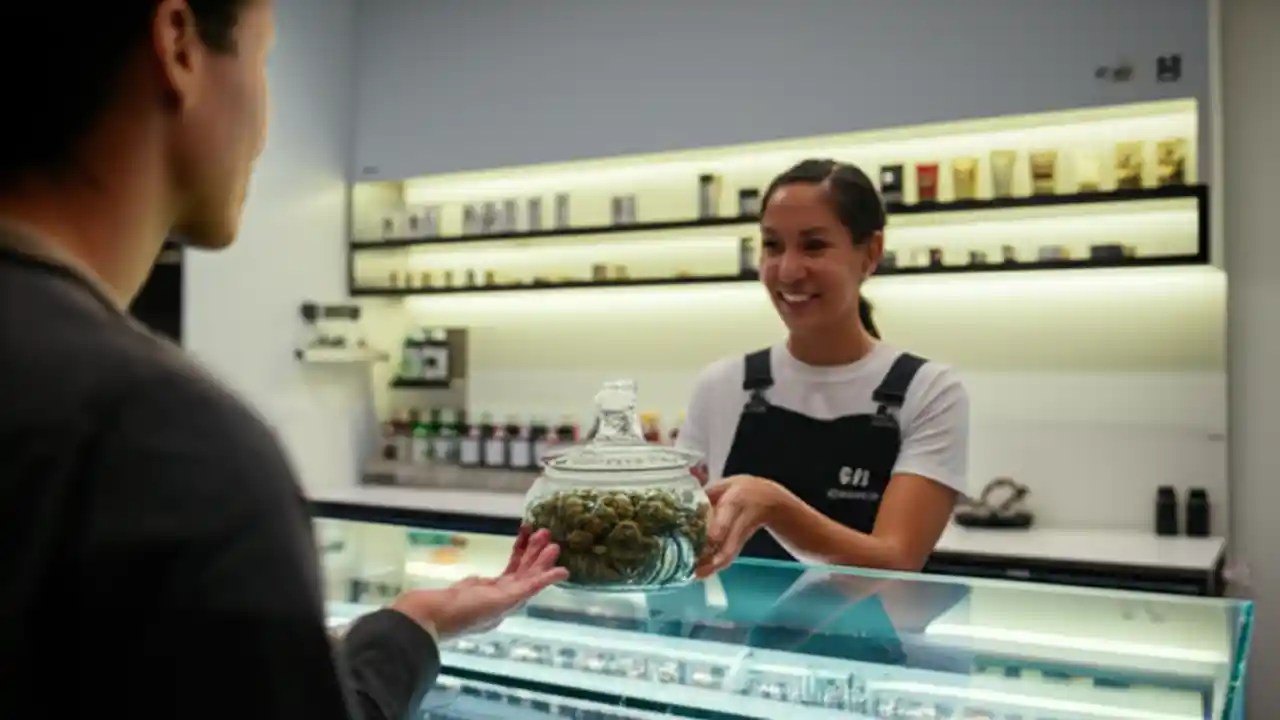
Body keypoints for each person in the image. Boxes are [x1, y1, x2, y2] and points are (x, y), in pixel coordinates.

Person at [0, 1, 566, 718]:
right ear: (178, 45)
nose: (266, 128)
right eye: (264, 58)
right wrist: (404, 641)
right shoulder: (164, 439)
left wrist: (408, 622)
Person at [679, 159, 970, 577]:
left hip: (869, 640)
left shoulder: (929, 391)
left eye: (813, 246)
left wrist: (776, 508)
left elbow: (897, 562)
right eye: (773, 246)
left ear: (870, 253)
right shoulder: (722, 385)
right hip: (739, 640)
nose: (788, 270)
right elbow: (683, 538)